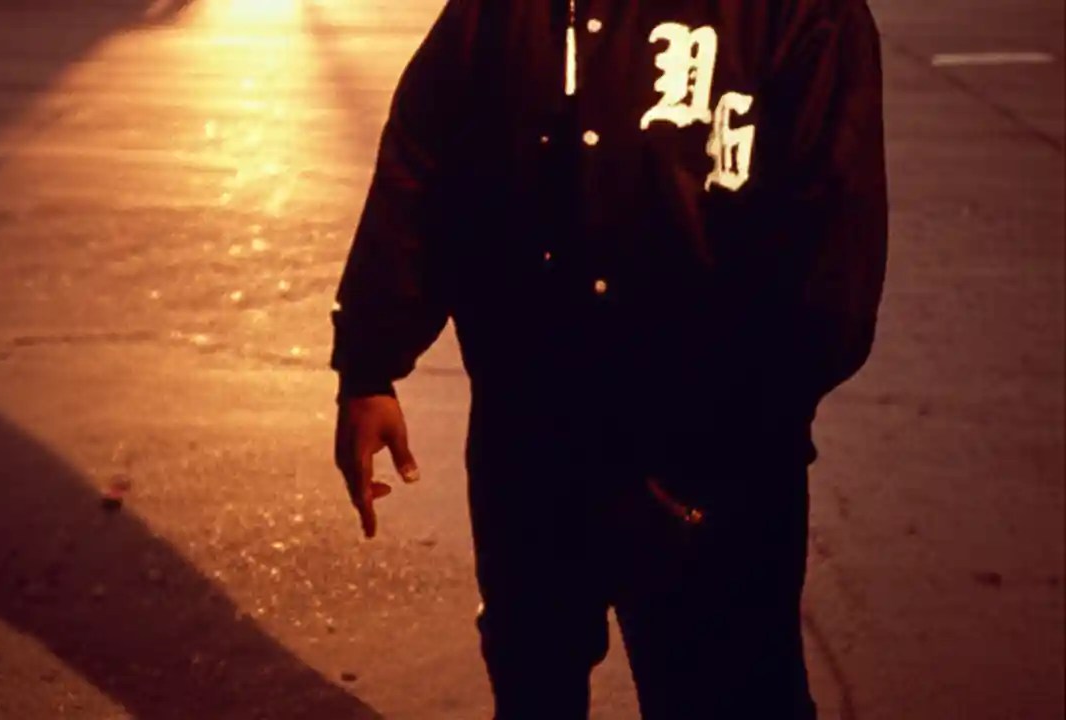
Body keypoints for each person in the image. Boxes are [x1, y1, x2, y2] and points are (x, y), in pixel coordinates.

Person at [331, 0, 887, 718]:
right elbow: (423, 159)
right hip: (532, 446)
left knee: (729, 690)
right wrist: (369, 365)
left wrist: (718, 447)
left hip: (710, 479)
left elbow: (833, 258)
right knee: (535, 677)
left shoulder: (803, 13)